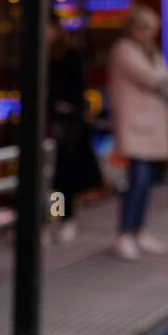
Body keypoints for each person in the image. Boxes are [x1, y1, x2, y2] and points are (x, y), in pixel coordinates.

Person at [108, 5, 168, 260]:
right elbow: (155, 78)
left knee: (146, 183)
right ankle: (125, 233)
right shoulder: (123, 50)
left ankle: (138, 230)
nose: (147, 33)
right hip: (135, 126)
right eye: (143, 28)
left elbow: (164, 77)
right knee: (137, 181)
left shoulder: (148, 51)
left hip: (150, 126)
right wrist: (166, 78)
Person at [47, 19, 102, 243]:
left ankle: (63, 218)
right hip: (49, 125)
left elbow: (77, 91)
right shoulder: (39, 54)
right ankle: (48, 220)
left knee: (62, 178)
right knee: (47, 177)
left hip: (65, 128)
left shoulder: (71, 56)